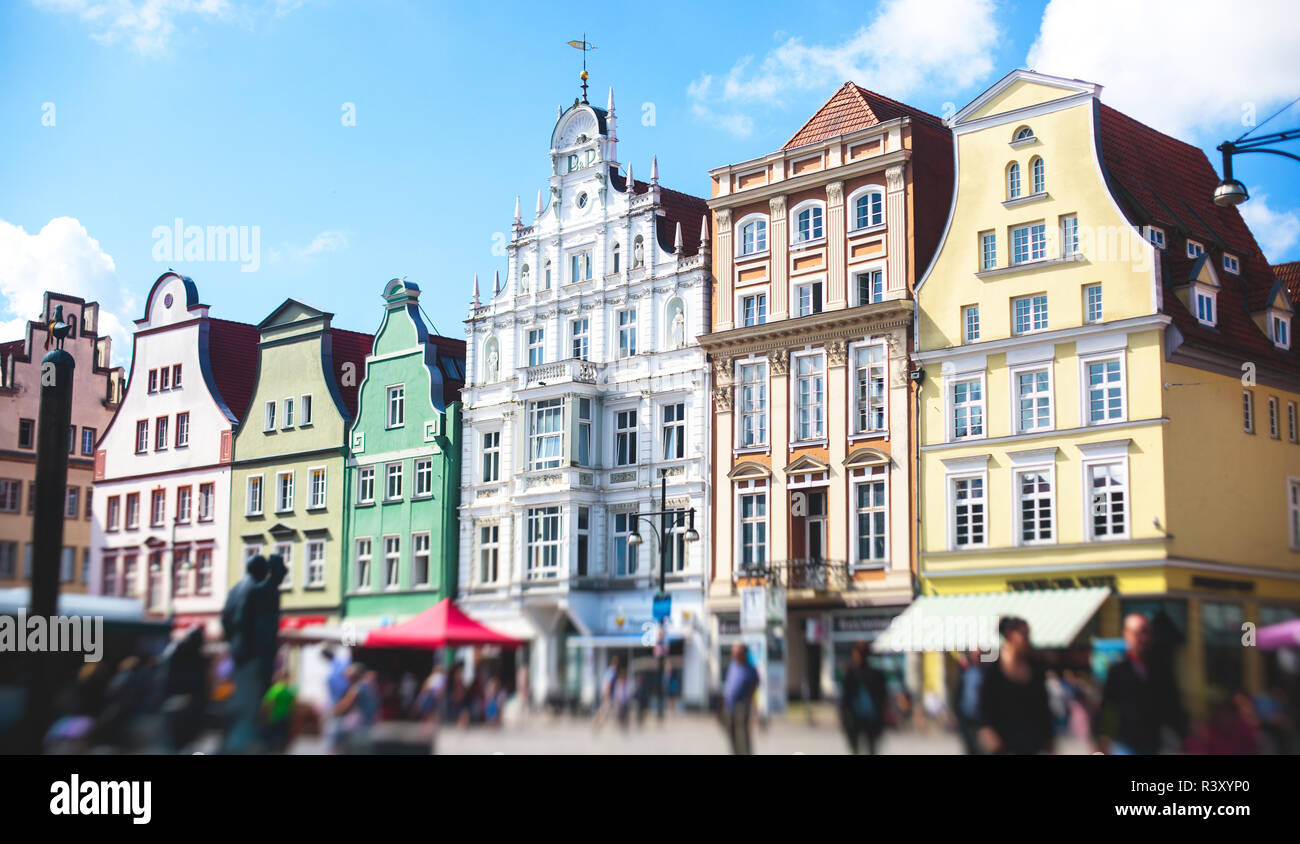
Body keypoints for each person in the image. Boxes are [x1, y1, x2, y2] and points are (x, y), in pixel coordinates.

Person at [1094, 613, 1187, 754]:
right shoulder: (1118, 671)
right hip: (1125, 743)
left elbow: (1172, 704)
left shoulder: (1161, 669)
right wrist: (1102, 737)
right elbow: (1108, 706)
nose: (1144, 638)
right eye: (1138, 633)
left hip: (1153, 742)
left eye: (1147, 633)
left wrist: (1183, 734)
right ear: (1126, 635)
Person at [978, 617, 1053, 755]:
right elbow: (984, 707)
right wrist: (987, 731)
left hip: (1033, 743)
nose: (1028, 639)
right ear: (1009, 636)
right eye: (1023, 634)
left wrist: (1049, 738)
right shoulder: (993, 672)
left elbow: (1043, 706)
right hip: (1003, 745)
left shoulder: (1036, 668)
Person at [839, 642, 888, 754]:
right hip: (856, 718)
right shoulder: (851, 675)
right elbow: (845, 699)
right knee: (859, 748)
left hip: (870, 718)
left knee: (869, 748)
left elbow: (882, 697)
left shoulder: (874, 675)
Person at [722, 643, 759, 755]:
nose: (733, 654)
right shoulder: (733, 665)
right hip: (729, 706)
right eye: (733, 651)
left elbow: (753, 689)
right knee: (731, 734)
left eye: (736, 652)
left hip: (742, 707)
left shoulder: (750, 669)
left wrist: (751, 706)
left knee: (743, 737)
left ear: (743, 654)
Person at [951, 651, 984, 755]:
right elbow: (958, 694)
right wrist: (956, 712)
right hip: (966, 717)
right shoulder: (965, 672)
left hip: (981, 719)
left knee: (981, 748)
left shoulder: (986, 673)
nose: (976, 657)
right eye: (974, 654)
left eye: (979, 654)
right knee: (969, 747)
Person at [261, 670, 297, 753]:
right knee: (282, 739)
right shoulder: (290, 691)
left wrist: (264, 715)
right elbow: (294, 705)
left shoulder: (276, 689)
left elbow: (268, 703)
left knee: (272, 739)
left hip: (274, 717)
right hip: (286, 717)